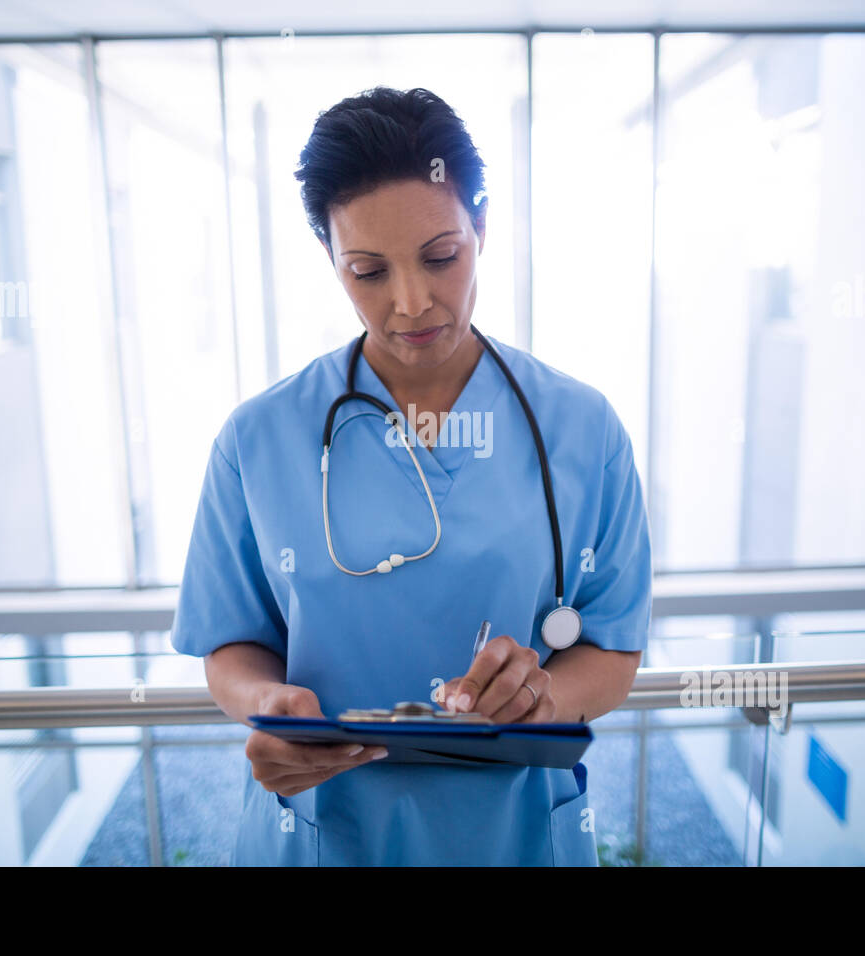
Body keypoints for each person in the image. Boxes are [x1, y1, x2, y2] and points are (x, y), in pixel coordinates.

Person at [170, 86, 652, 866]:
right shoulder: (257, 440)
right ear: (330, 260)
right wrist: (270, 709)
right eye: (367, 271)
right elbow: (230, 647)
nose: (411, 303)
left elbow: (611, 647)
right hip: (327, 832)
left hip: (516, 834)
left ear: (482, 226)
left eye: (441, 257)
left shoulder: (584, 429)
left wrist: (542, 699)